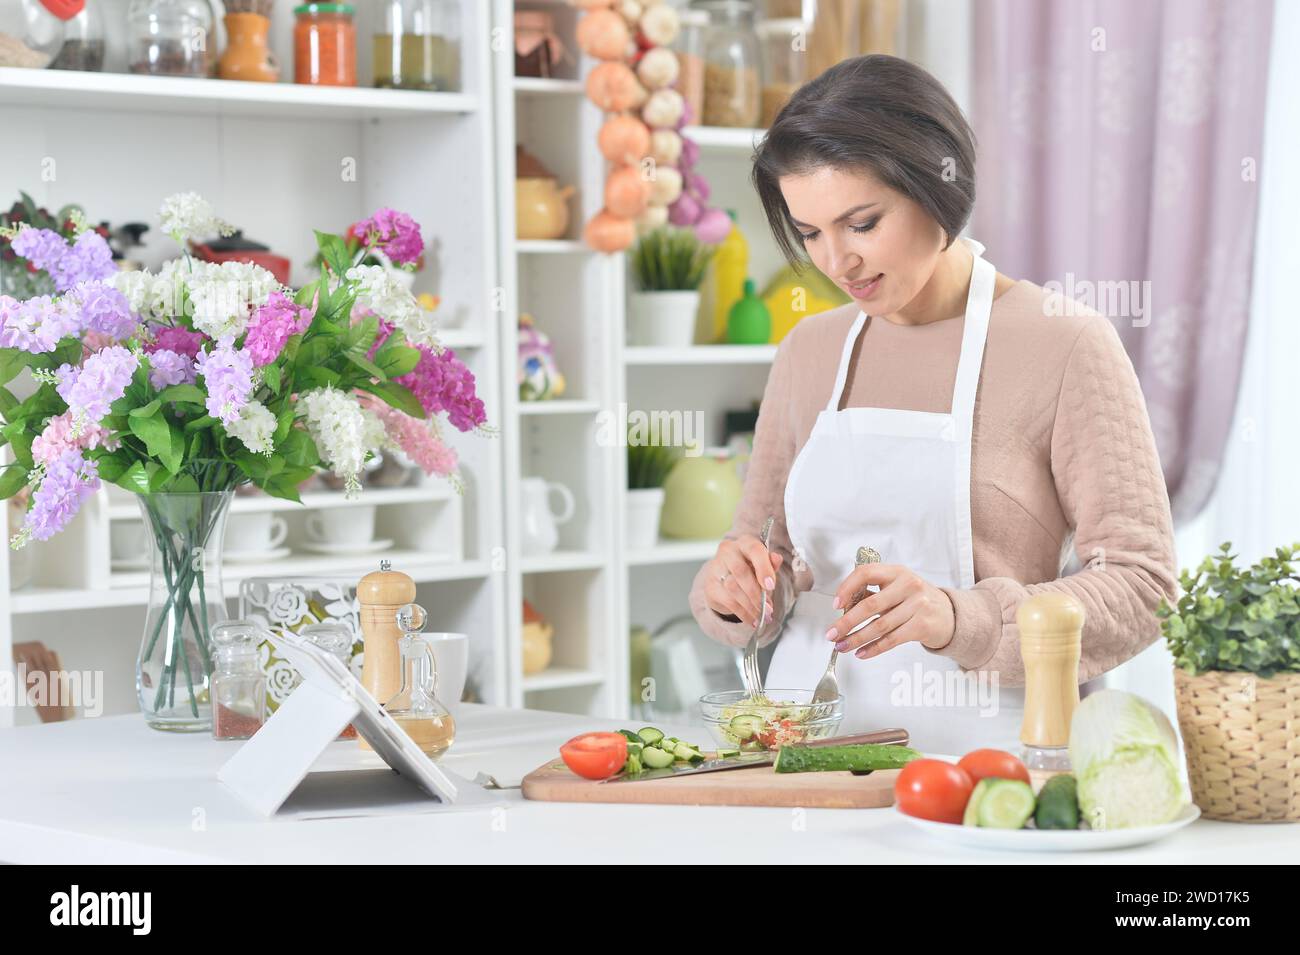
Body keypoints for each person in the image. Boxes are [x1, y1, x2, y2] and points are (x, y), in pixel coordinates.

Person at [688, 55, 1177, 754]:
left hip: (990, 763)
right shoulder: (808, 351)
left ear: (935, 186)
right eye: (810, 233)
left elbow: (1142, 587)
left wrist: (961, 618)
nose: (836, 262)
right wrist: (732, 590)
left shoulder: (1067, 343)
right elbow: (768, 557)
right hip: (802, 758)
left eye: (861, 223)